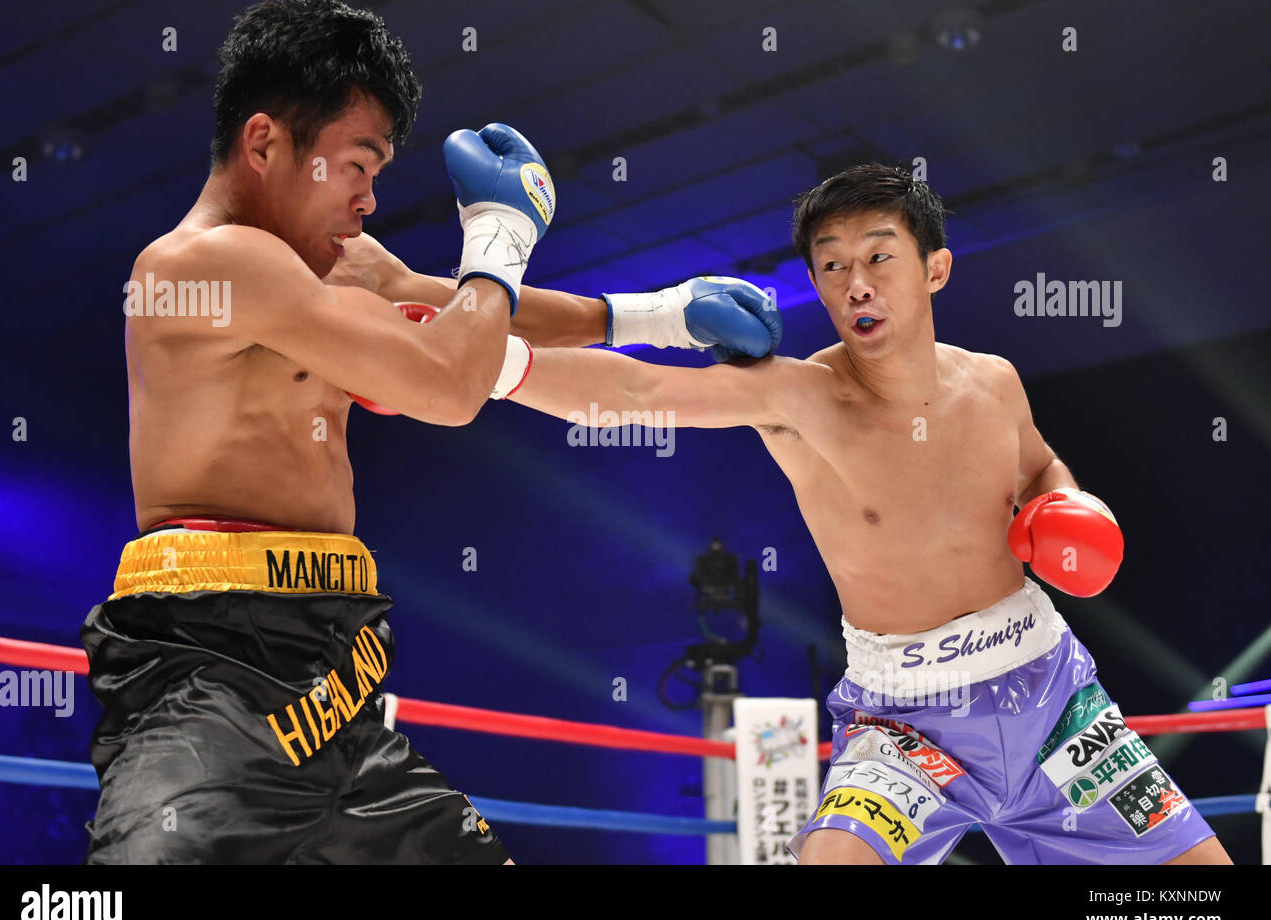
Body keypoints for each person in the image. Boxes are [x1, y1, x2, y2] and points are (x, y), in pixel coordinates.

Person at [80, 0, 778, 864]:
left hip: (333, 674)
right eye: (357, 166)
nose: (370, 199)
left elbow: (470, 321)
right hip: (214, 675)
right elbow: (452, 385)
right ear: (264, 145)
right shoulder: (201, 264)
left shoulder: (338, 266)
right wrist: (501, 232)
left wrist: (659, 315)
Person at [504, 163, 1232, 865]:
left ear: (935, 269)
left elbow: (1039, 464)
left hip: (1052, 702)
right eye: (832, 267)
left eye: (879, 256)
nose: (857, 284)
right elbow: (634, 393)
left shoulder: (994, 382)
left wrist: (1065, 502)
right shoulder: (799, 397)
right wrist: (496, 369)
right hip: (904, 721)